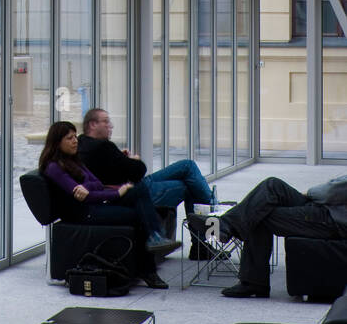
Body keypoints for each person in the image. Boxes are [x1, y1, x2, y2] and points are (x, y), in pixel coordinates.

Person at [39, 120, 181, 290]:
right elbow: (84, 198)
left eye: (75, 136)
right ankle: (148, 269)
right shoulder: (54, 167)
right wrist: (114, 193)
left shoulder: (74, 161)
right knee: (136, 216)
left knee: (138, 189)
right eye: (69, 138)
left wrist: (89, 188)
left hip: (93, 204)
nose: (75, 141)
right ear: (57, 142)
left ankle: (155, 236)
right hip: (84, 213)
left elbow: (95, 185)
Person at [188, 173, 347, 297]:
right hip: (326, 209)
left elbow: (332, 191)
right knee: (273, 185)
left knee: (259, 213)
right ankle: (226, 226)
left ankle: (253, 280)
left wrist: (310, 193)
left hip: (330, 219)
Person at [77, 107, 214, 218]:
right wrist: (132, 160)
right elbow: (138, 171)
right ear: (93, 124)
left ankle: (212, 209)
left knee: (187, 166)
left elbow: (113, 166)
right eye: (105, 122)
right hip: (136, 190)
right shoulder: (103, 146)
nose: (110, 126)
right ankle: (214, 210)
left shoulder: (83, 143)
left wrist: (121, 158)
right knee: (189, 184)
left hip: (132, 185)